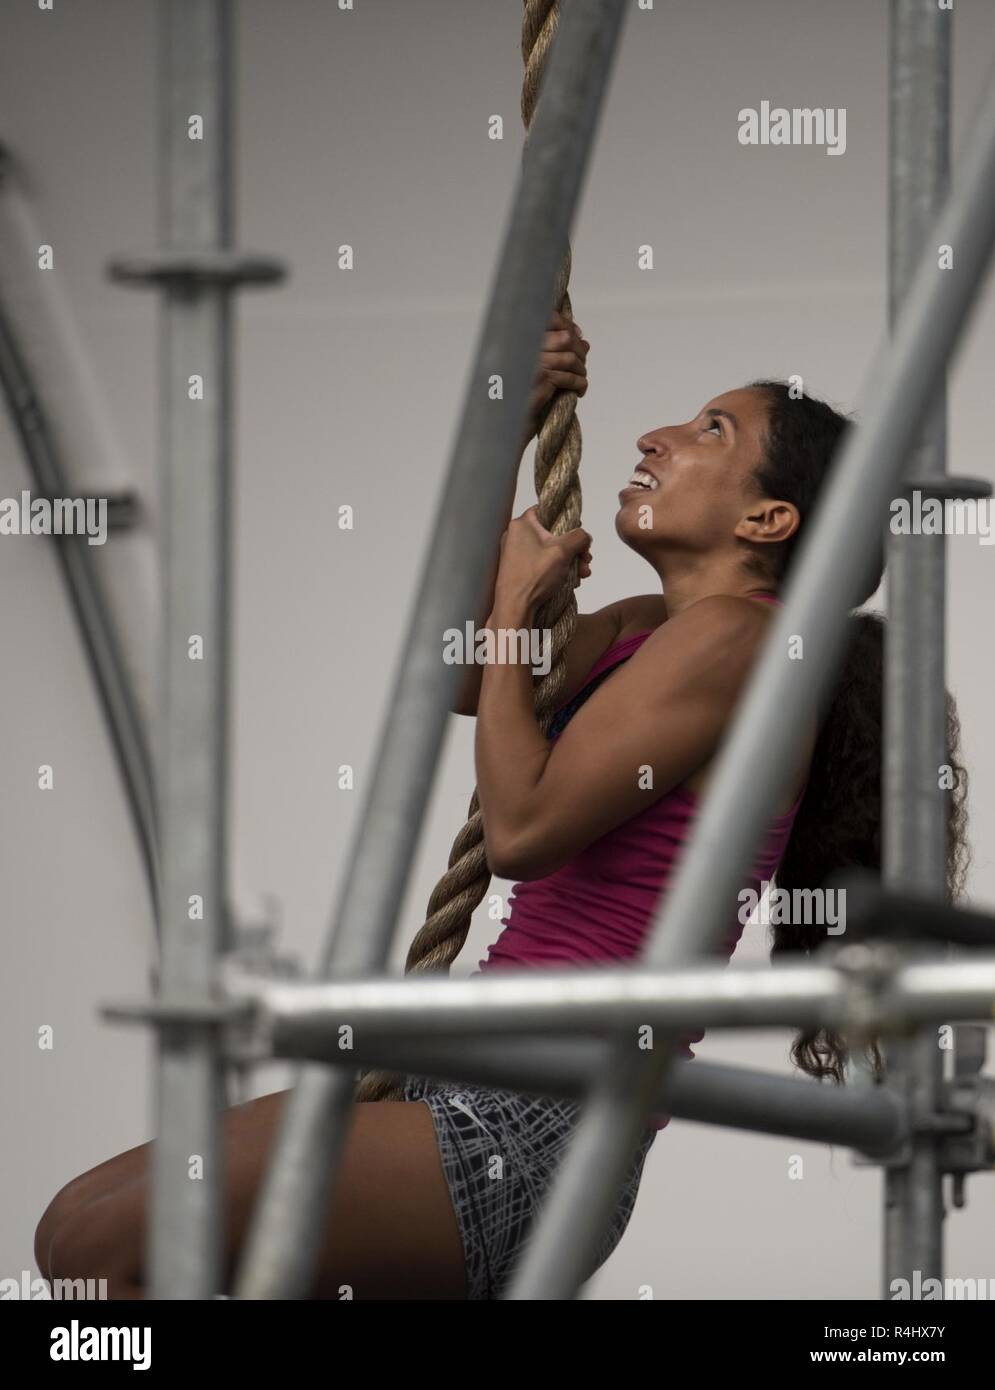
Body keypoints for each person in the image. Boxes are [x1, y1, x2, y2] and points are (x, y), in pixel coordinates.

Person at [33, 310, 969, 1300]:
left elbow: (519, 828)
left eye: (709, 431)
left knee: (111, 1252)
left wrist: (519, 607)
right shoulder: (649, 626)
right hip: (471, 1080)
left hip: (534, 1124)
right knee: (70, 1234)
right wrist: (509, 432)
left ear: (766, 520)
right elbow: (457, 668)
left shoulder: (739, 638)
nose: (654, 435)